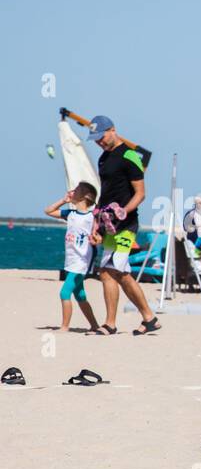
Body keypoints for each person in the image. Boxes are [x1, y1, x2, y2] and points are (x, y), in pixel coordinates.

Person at [87, 115, 158, 335]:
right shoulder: (102, 159)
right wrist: (95, 224)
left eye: (101, 137)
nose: (99, 142)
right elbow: (105, 193)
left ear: (112, 130)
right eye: (95, 139)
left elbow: (141, 194)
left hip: (127, 223)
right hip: (107, 224)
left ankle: (127, 320)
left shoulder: (130, 156)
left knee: (113, 270)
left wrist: (123, 211)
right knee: (112, 273)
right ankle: (140, 318)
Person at [42, 182, 101, 332]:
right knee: (80, 295)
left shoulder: (91, 217)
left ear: (84, 196)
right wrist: (64, 200)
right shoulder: (70, 214)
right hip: (71, 260)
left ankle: (65, 326)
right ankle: (94, 325)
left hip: (82, 262)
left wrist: (97, 239)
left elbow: (99, 236)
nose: (71, 192)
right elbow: (48, 211)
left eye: (75, 191)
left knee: (64, 293)